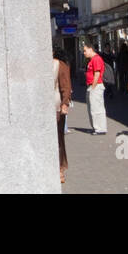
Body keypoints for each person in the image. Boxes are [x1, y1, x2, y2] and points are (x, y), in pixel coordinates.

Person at [53, 47, 72, 183]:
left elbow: (66, 86)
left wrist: (65, 104)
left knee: (58, 138)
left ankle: (60, 169)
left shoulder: (59, 65)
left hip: (56, 107)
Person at [82, 41, 107, 135]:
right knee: (92, 108)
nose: (84, 53)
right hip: (92, 86)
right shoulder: (92, 60)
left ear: (90, 49)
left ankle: (100, 128)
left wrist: (93, 87)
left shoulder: (96, 59)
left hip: (95, 86)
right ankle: (96, 127)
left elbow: (97, 74)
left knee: (97, 108)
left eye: (85, 51)